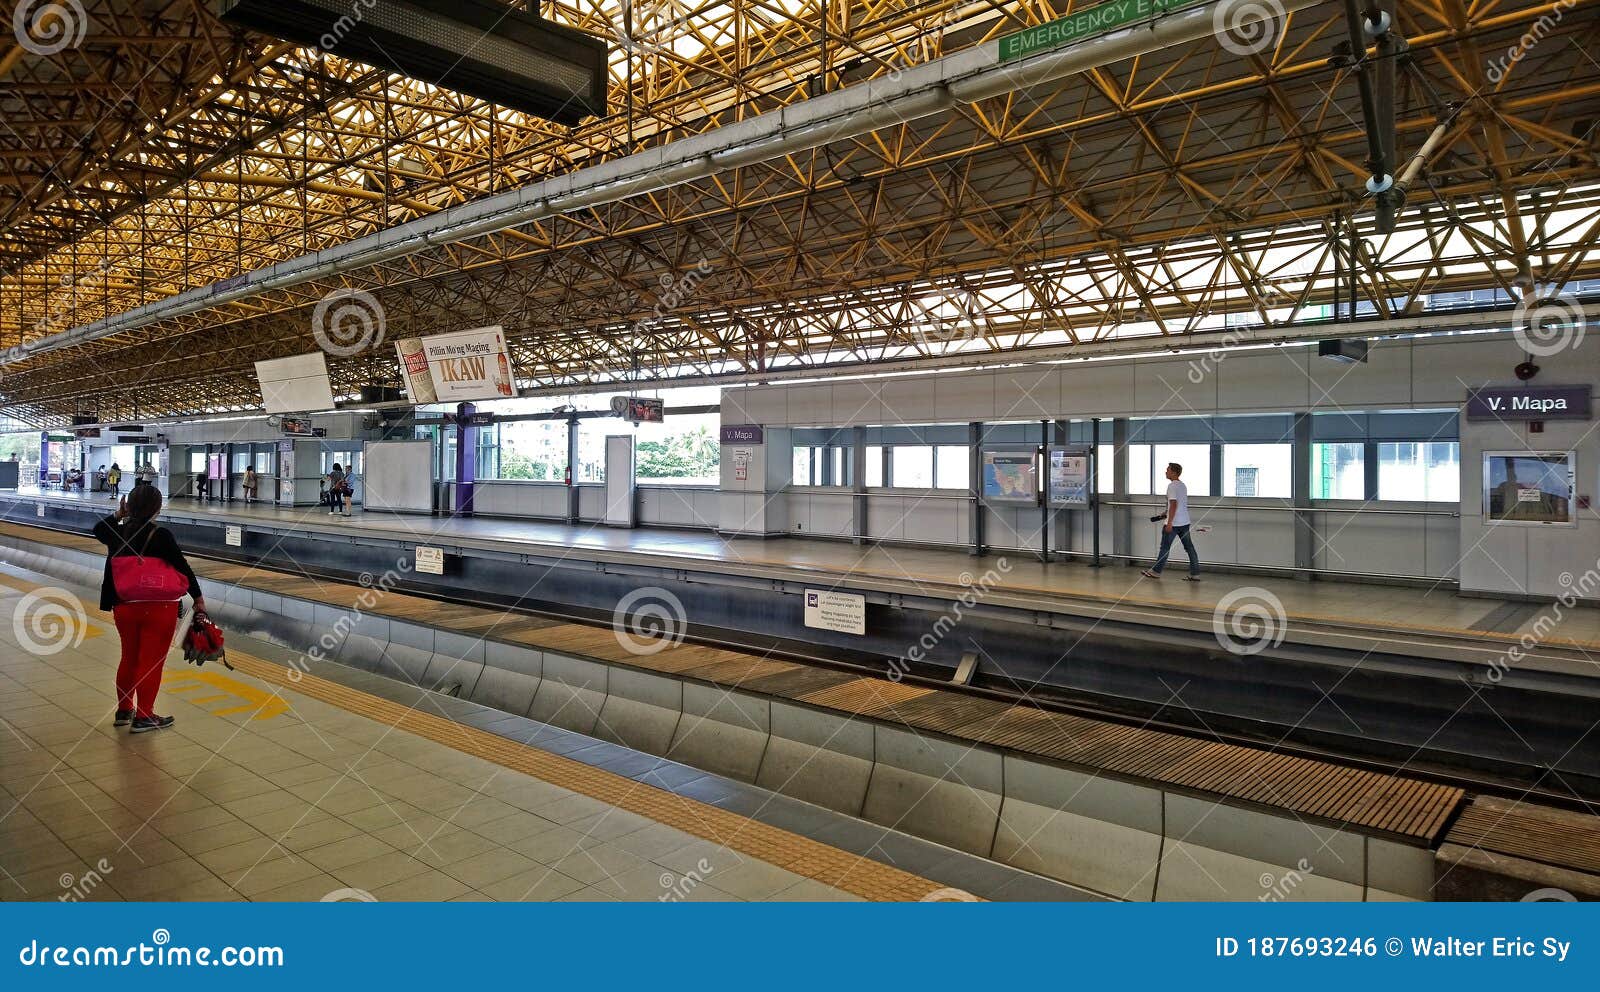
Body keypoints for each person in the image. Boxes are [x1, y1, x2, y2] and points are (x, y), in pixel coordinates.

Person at [92, 485, 205, 733]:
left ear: (129, 506)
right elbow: (182, 566)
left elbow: (97, 529)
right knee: (151, 662)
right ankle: (144, 715)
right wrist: (197, 597)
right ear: (157, 508)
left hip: (124, 605)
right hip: (159, 607)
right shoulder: (161, 534)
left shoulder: (116, 533)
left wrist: (118, 515)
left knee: (129, 658)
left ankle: (124, 710)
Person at [1142, 462, 1200, 581]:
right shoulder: (1182, 485)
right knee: (1189, 548)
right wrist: (1166, 512)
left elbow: (1174, 503)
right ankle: (1195, 574)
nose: (1166, 471)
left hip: (1174, 523)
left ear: (1174, 472)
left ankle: (1156, 572)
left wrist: (1169, 522)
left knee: (1164, 548)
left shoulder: (1172, 486)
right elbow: (1177, 504)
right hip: (1184, 522)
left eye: (1168, 470)